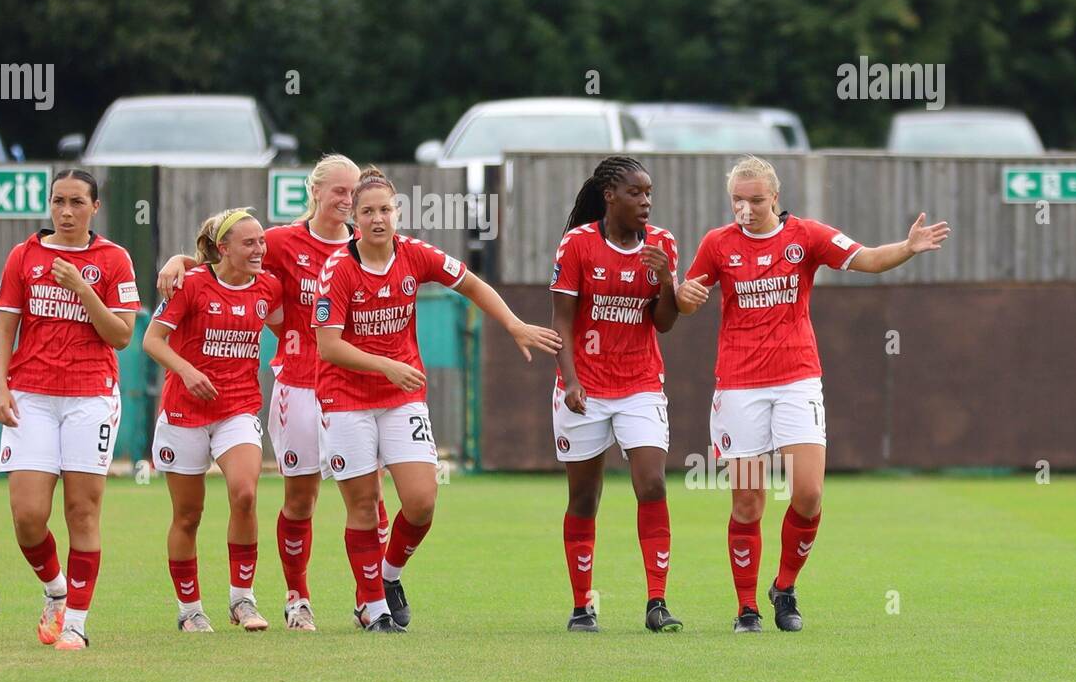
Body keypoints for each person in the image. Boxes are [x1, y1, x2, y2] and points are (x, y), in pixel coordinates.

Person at [677, 155, 950, 632]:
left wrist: (908, 247)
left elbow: (866, 259)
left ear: (775, 197)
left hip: (797, 379)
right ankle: (746, 608)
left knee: (808, 492)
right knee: (747, 502)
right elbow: (685, 298)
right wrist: (685, 296)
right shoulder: (717, 244)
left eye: (755, 200)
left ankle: (784, 587)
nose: (745, 209)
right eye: (737, 201)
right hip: (739, 386)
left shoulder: (806, 236)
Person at [314, 166, 561, 631]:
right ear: (354, 217)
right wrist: (387, 364)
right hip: (345, 397)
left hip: (402, 397)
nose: (378, 219)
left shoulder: (415, 255)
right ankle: (372, 608)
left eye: (385, 209)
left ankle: (388, 577)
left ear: (397, 212)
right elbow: (328, 346)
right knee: (363, 505)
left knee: (422, 501)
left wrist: (513, 325)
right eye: (367, 211)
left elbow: (470, 283)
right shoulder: (339, 269)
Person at [156, 154, 391, 631]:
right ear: (316, 192)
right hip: (299, 386)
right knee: (300, 500)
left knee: (372, 500)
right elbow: (224, 261)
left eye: (355, 193)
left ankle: (373, 599)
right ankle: (296, 598)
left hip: (357, 389)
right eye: (340, 192)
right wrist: (179, 261)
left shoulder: (369, 243)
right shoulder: (280, 242)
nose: (348, 201)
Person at [0, 169, 140, 651]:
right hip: (30, 395)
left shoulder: (113, 259)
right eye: (59, 201)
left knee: (82, 509)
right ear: (49, 204)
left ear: (95, 207)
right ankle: (56, 588)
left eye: (78, 202)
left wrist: (82, 288)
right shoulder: (25, 256)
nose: (67, 211)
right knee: (29, 516)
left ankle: (75, 621)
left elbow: (120, 335)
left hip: (90, 396)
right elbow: (4, 329)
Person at [550, 156, 683, 633]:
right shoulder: (578, 245)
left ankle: (657, 602)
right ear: (610, 196)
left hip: (640, 384)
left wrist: (667, 280)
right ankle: (583, 606)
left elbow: (664, 323)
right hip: (585, 385)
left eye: (649, 193)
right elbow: (562, 321)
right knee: (584, 499)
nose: (645, 201)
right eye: (635, 193)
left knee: (652, 483)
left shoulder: (662, 244)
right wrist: (570, 381)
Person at [144, 208, 283, 632]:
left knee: (245, 494)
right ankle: (190, 610)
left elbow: (289, 328)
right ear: (223, 248)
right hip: (184, 412)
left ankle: (243, 600)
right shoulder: (193, 284)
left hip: (237, 409)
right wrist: (186, 370)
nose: (260, 249)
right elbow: (152, 340)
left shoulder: (269, 288)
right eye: (249, 242)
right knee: (188, 515)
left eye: (262, 241)